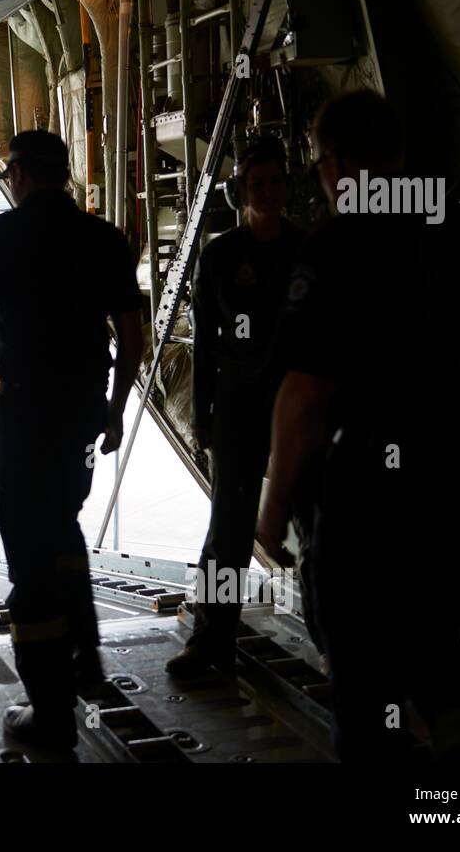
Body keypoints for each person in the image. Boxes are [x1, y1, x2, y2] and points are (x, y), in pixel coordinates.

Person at [258, 89, 460, 760]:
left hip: (373, 495)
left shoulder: (339, 244)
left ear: (338, 162)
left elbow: (305, 392)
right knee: (433, 648)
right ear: (400, 152)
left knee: (365, 672)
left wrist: (273, 501)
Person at [0, 131, 144, 755]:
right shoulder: (104, 239)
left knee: (31, 562)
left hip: (26, 416)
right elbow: (132, 331)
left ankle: (50, 713)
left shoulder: (0, 236)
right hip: (80, 415)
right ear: (63, 175)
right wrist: (115, 410)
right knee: (62, 527)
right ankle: (87, 658)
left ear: (17, 174)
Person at [166, 137, 304, 679]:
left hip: (299, 402)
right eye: (257, 184)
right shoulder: (222, 256)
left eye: (276, 182)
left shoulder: (307, 249)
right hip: (241, 404)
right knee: (229, 529)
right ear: (240, 193)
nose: (268, 193)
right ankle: (212, 638)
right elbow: (207, 341)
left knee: (322, 524)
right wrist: (203, 414)